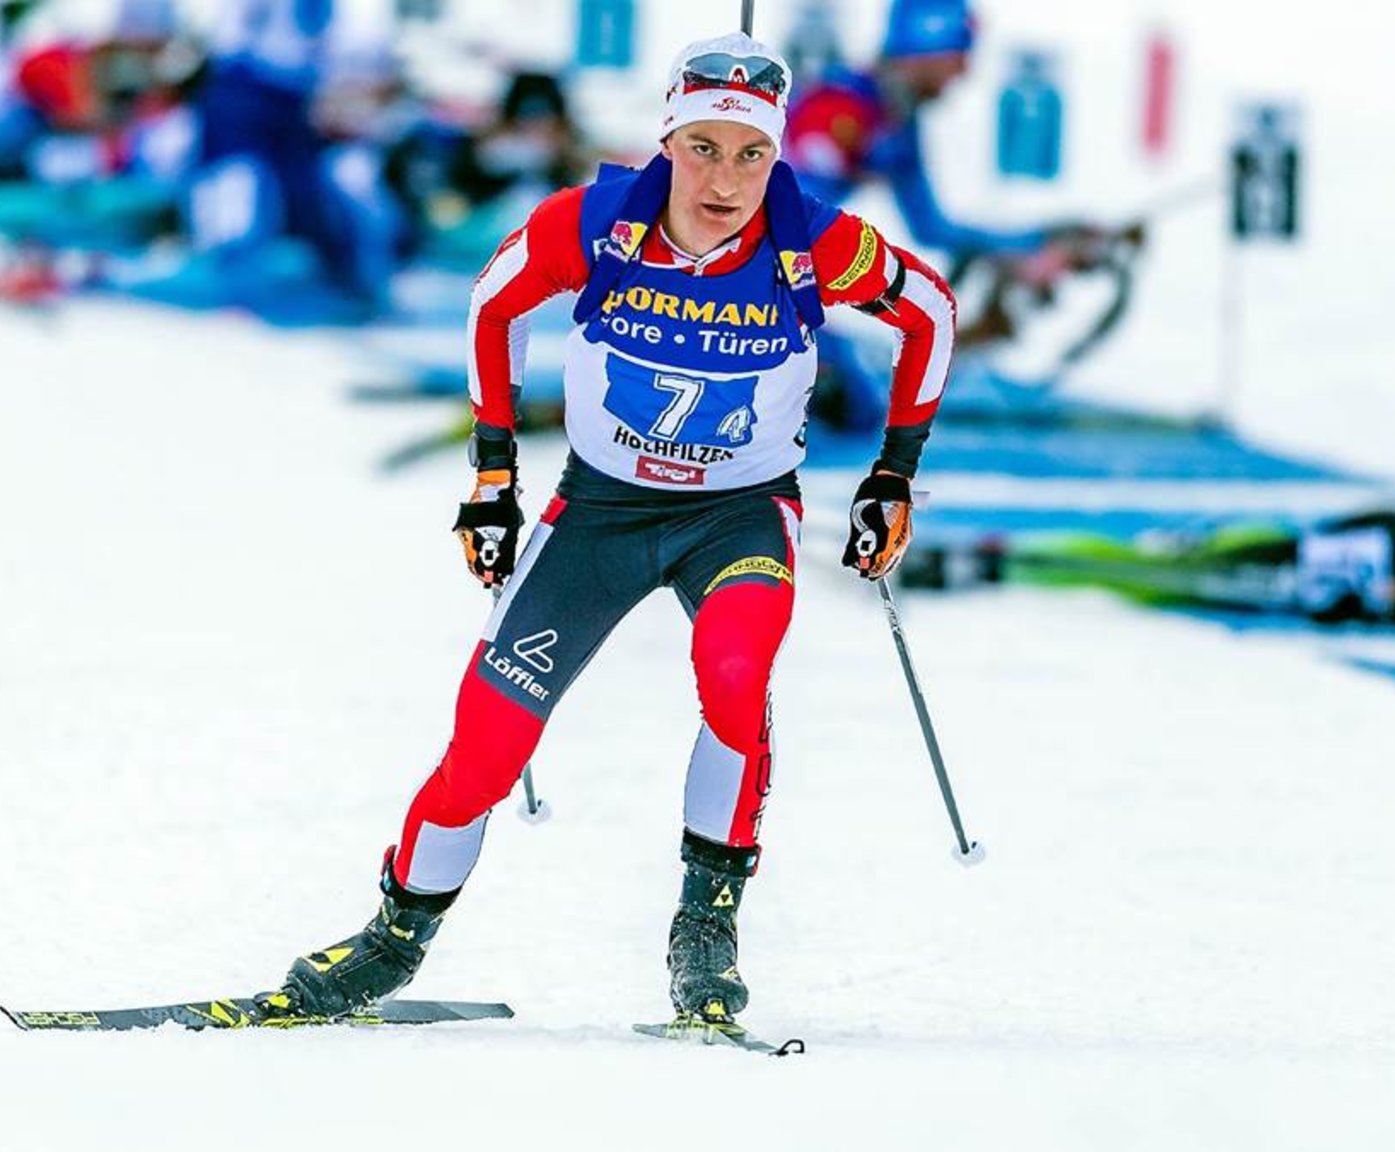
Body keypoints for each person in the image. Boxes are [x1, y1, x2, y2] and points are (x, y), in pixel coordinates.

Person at [262, 32, 958, 1029]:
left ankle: (704, 928)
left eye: (752, 154)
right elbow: (493, 305)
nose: (726, 179)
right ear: (665, 140)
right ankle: (388, 942)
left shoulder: (815, 240)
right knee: (486, 745)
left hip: (736, 516)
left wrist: (892, 474)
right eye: (704, 148)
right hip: (598, 510)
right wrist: (492, 471)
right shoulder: (590, 223)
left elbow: (926, 308)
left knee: (733, 672)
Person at [784, 0, 1113, 426]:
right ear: (925, 49)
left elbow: (933, 228)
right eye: (960, 55)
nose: (964, 74)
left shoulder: (896, 120)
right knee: (849, 406)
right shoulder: (841, 105)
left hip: (781, 286)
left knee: (863, 408)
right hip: (735, 286)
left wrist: (1043, 240)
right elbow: (785, 218)